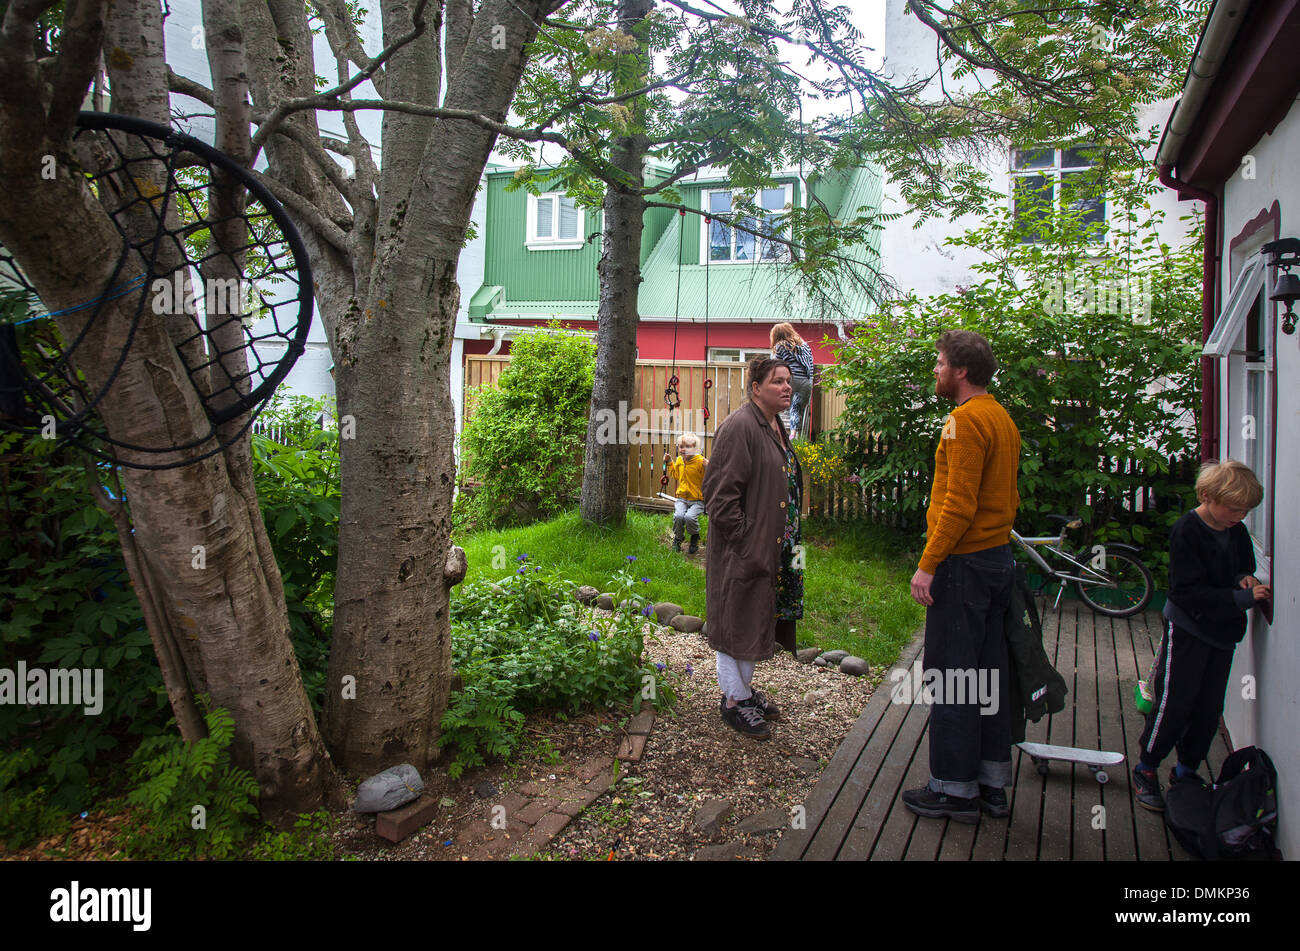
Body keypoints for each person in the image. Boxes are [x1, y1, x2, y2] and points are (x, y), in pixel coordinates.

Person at [904, 330, 1021, 824]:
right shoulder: (1001, 417)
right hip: (997, 562)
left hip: (966, 568)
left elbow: (958, 503)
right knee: (988, 675)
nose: (935, 369)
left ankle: (953, 791)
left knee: (953, 678)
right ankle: (991, 784)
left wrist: (928, 564)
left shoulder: (963, 421)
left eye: (940, 361)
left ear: (961, 371)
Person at [1132, 460, 1270, 811]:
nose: (1239, 516)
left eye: (1245, 511)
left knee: (1209, 707)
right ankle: (1146, 768)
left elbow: (1242, 566)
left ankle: (1185, 771)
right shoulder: (1187, 530)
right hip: (1189, 629)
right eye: (1234, 508)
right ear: (1207, 496)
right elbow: (1186, 592)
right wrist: (1240, 598)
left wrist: (1245, 578)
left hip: (1222, 633)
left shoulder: (1234, 530)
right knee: (1174, 702)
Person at [702, 356, 804, 740]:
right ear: (756, 387)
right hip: (744, 549)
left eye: (789, 381)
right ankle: (733, 701)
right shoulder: (740, 427)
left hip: (772, 545)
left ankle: (743, 692)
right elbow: (718, 495)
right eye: (777, 381)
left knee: (755, 614)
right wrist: (746, 540)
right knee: (735, 619)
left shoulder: (774, 425)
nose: (787, 387)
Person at [663, 432, 707, 553]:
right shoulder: (679, 461)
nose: (684, 449)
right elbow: (676, 474)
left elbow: (709, 478)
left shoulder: (700, 462)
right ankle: (678, 537)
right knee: (678, 516)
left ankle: (694, 537)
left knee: (689, 517)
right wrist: (670, 462)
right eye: (681, 447)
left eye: (688, 447)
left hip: (697, 500)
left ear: (695, 448)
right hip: (682, 498)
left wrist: (708, 467)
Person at [770, 323, 814, 439]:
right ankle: (794, 435)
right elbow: (811, 364)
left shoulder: (781, 345)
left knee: (781, 405)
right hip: (806, 381)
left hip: (791, 380)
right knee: (797, 408)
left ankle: (779, 433)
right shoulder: (805, 346)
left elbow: (775, 364)